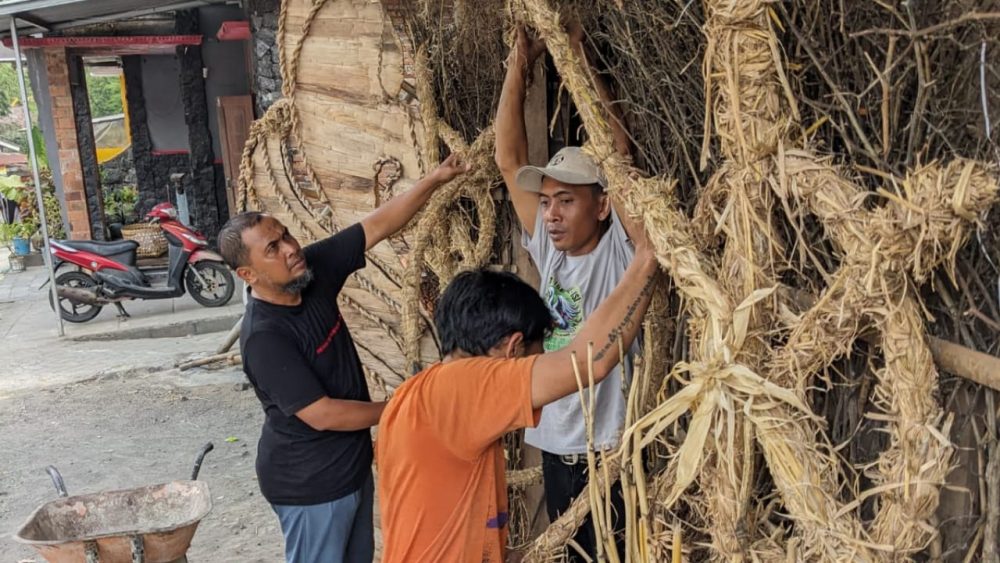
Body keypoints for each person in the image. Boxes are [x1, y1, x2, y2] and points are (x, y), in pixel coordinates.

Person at [218, 154, 469, 563]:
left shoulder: (309, 272)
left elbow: (377, 225)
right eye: (273, 248)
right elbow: (323, 415)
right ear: (248, 274)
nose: (290, 248)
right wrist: (401, 407)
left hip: (347, 467)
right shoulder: (265, 336)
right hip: (309, 483)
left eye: (285, 236)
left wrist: (435, 179)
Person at [376, 232, 657, 562]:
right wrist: (646, 257)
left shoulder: (418, 393)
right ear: (512, 348)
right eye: (536, 356)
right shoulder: (466, 386)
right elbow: (587, 362)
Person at [494, 21, 639, 560]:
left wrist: (576, 56)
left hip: (607, 449)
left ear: (602, 206)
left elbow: (618, 156)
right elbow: (508, 161)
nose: (551, 215)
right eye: (547, 201)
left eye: (567, 201)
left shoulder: (621, 249)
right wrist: (520, 65)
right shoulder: (550, 249)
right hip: (557, 446)